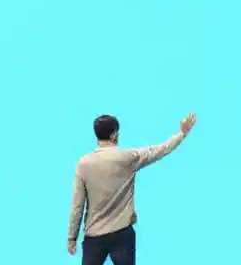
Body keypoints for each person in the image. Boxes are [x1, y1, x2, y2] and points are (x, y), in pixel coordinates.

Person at [67, 112, 197, 263]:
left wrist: (72, 237)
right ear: (114, 134)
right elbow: (160, 150)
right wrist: (181, 134)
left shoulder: (83, 164)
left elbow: (77, 205)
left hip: (94, 235)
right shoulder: (128, 158)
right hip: (122, 233)